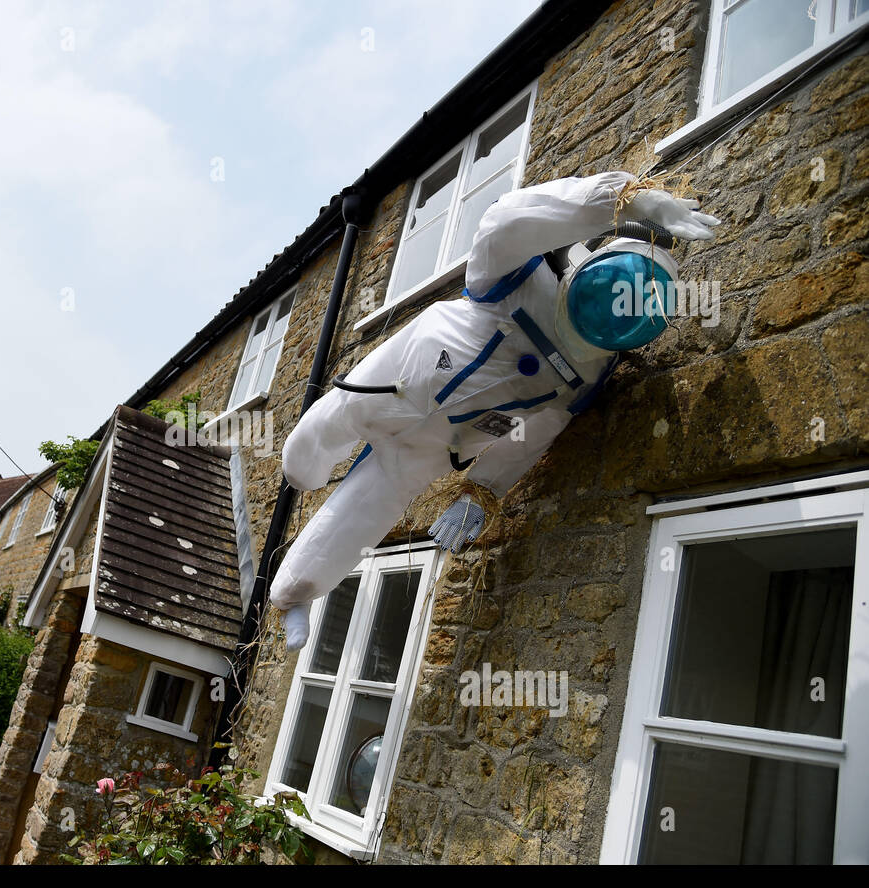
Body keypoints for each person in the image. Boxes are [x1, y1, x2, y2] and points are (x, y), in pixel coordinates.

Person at [270, 170, 720, 650]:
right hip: (393, 384)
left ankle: (295, 593)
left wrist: (480, 492)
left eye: (628, 312)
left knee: (368, 509)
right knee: (313, 442)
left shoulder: (589, 372)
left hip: (439, 446)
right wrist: (626, 200)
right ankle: (301, 472)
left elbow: (536, 435)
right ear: (593, 263)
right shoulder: (520, 275)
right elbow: (510, 219)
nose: (613, 309)